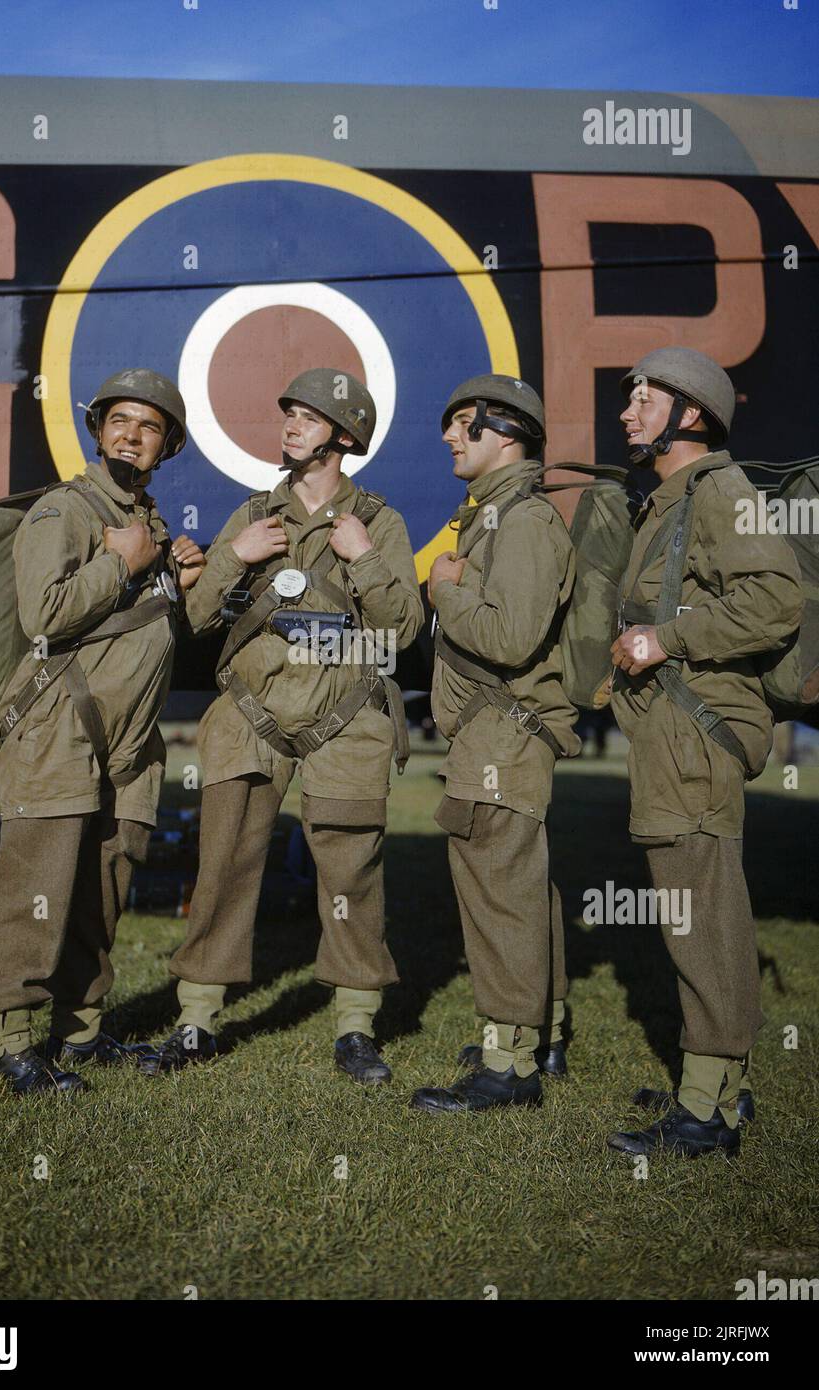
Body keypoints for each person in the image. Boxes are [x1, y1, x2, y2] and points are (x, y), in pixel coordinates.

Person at [147, 368, 424, 1084]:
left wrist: (361, 557)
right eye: (289, 414)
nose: (290, 426)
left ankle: (356, 1026)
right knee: (224, 864)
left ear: (342, 435)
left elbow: (400, 630)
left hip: (345, 716)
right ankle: (197, 1018)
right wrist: (234, 559)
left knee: (349, 869)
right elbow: (202, 618)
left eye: (307, 417)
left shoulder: (379, 521)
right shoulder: (252, 515)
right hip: (250, 713)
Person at [0, 369, 205, 1095]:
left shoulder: (149, 522)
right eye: (119, 421)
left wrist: (175, 576)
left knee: (106, 881)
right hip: (56, 726)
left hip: (130, 742)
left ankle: (78, 1031)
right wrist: (121, 562)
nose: (130, 435)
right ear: (98, 430)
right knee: (36, 885)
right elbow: (44, 614)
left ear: (167, 445)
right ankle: (9, 1041)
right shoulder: (63, 511)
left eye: (149, 426)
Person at [607, 348, 802, 1158]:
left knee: (697, 914)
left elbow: (775, 599)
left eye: (643, 398)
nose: (626, 412)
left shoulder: (719, 491)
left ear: (691, 413)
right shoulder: (672, 499)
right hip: (677, 731)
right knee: (698, 909)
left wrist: (666, 637)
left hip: (697, 730)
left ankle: (702, 1113)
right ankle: (721, 1088)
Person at [409, 375, 580, 1115]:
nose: (449, 437)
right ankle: (538, 1033)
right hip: (496, 729)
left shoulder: (523, 521)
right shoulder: (493, 516)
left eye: (463, 425)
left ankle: (508, 1065)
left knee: (499, 895)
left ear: (504, 431)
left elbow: (509, 637)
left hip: (504, 733)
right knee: (519, 890)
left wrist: (444, 589)